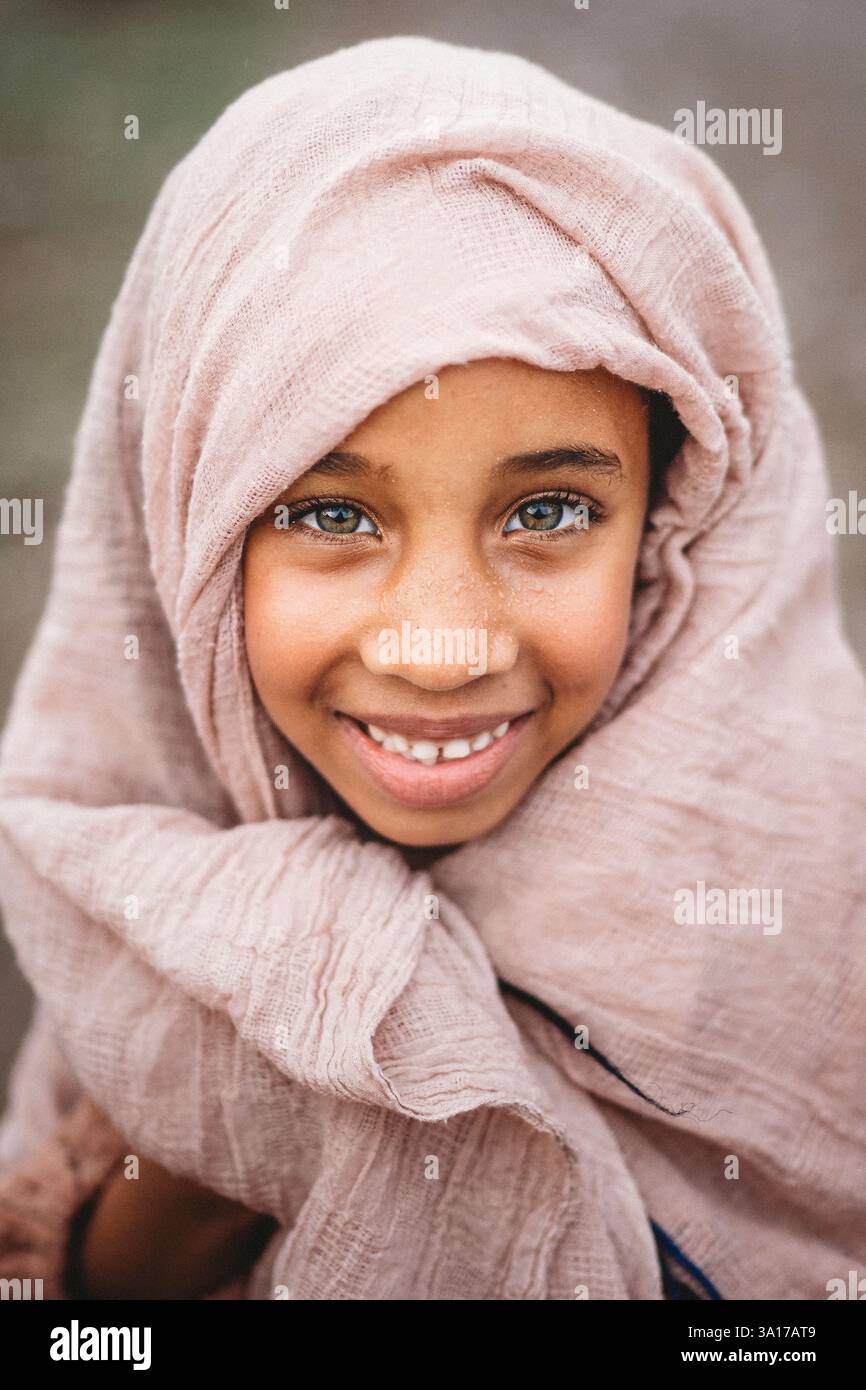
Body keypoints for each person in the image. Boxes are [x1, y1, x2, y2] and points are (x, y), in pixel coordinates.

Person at [0, 35, 863, 1302]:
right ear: (185, 525)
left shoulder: (822, 921)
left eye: (550, 513)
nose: (441, 645)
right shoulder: (144, 921)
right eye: (331, 516)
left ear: (676, 536)